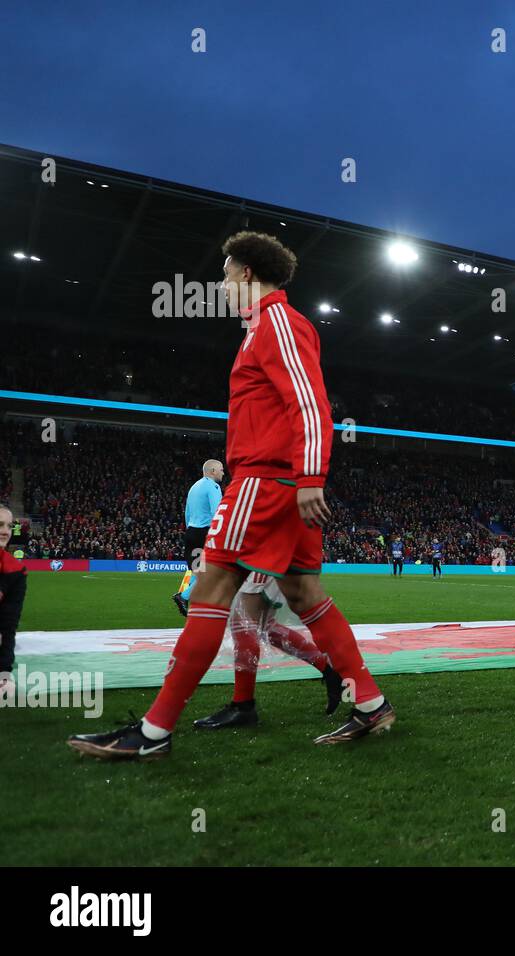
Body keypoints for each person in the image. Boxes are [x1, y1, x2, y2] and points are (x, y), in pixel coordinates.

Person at [67, 231, 393, 760]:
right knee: (305, 594)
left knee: (209, 592)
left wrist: (310, 477)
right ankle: (371, 701)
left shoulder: (277, 323)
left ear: (245, 274)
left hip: (266, 483)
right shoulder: (260, 329)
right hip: (280, 483)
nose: (219, 284)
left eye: (223, 273)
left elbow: (311, 405)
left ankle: (153, 732)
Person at [190, 572, 345, 729]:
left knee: (244, 623)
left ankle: (243, 706)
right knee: (265, 626)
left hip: (265, 560)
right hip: (271, 561)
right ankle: (329, 669)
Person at [174, 459, 224, 617]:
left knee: (198, 571)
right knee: (212, 571)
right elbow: (218, 512)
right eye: (221, 470)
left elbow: (187, 513)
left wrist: (190, 530)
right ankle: (183, 596)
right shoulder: (213, 487)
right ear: (213, 471)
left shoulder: (194, 487)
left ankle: (188, 600)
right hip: (205, 533)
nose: (223, 472)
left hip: (191, 533)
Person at [0, 505, 28, 696]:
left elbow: (8, 626)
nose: (5, 531)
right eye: (0, 525)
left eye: (9, 526)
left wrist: (4, 673)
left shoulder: (16, 571)